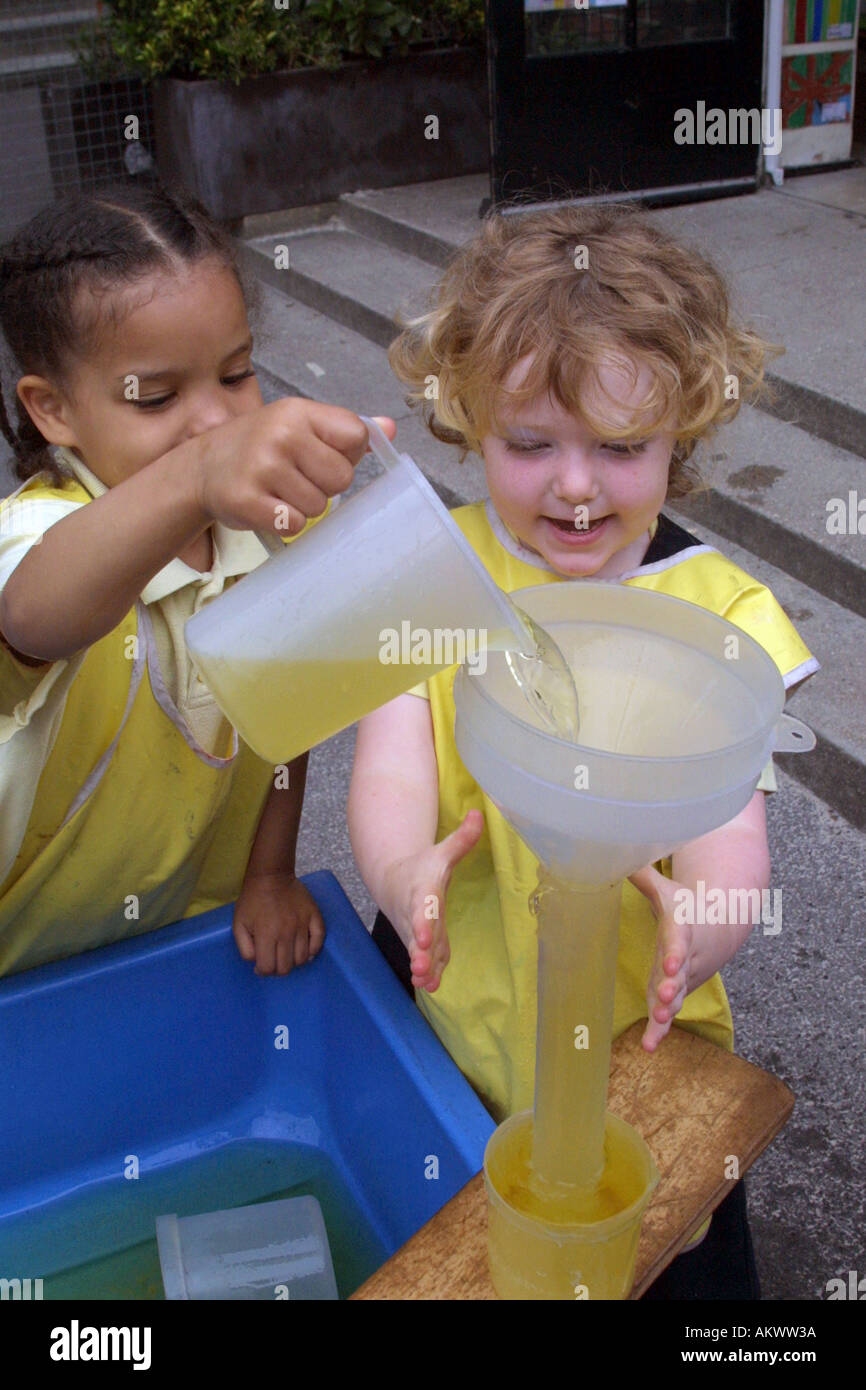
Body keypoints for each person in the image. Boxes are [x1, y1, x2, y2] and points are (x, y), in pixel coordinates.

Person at [348, 204, 818, 1298]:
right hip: (458, 1019)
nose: (573, 486)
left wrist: (701, 928)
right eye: (529, 444)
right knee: (470, 1251)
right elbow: (389, 766)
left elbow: (727, 836)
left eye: (619, 448)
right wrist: (398, 869)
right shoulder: (433, 576)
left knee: (663, 1260)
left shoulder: (715, 612)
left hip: (638, 1049)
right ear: (465, 418)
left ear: (682, 434)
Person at [0, 183, 393, 979]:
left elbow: (292, 717)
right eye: (158, 396)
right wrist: (199, 474)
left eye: (237, 374)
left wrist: (270, 871)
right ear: (53, 411)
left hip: (169, 937)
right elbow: (30, 615)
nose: (217, 420)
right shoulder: (42, 537)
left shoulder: (269, 533)